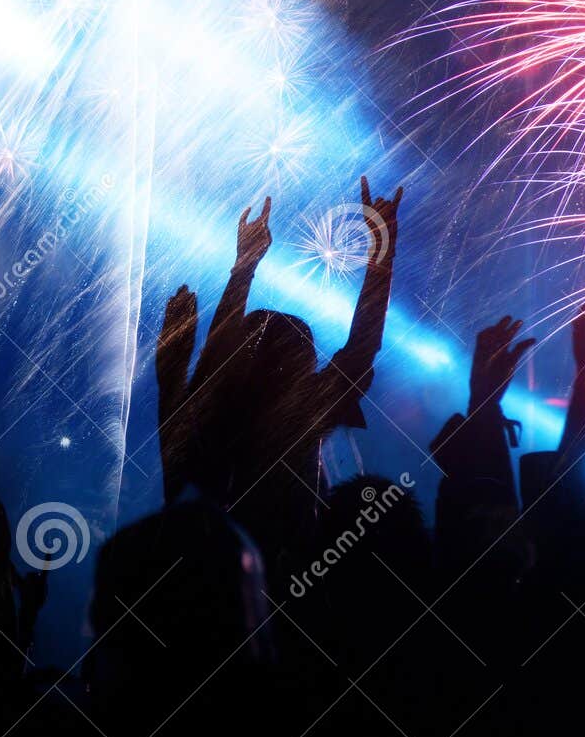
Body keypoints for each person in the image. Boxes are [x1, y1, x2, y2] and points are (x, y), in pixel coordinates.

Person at [156, 178, 402, 566]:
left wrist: (244, 268)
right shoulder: (296, 420)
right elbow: (361, 348)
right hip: (287, 583)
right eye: (307, 354)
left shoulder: (209, 423)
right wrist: (380, 257)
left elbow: (219, 363)